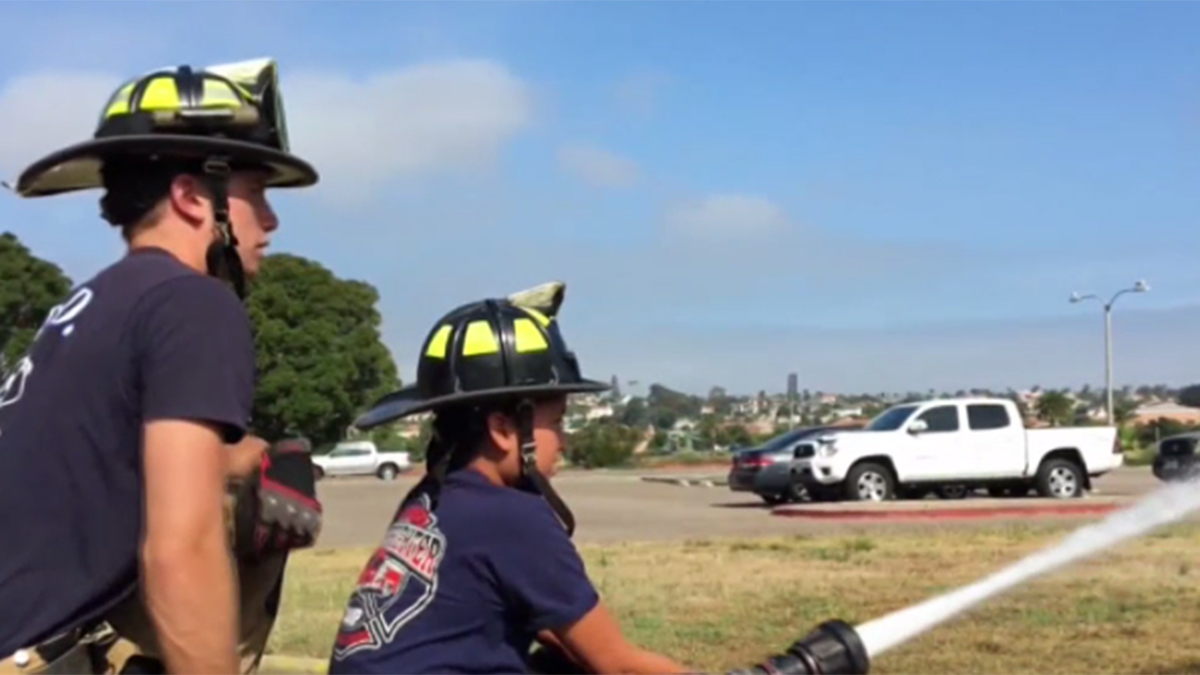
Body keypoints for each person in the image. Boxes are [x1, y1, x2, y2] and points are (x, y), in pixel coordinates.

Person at [0, 58, 321, 675]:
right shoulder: (192, 302)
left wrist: (258, 456)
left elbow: (114, 459)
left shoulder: (97, 302)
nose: (272, 220)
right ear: (192, 196)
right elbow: (181, 547)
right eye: (257, 193)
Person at [326, 282, 694, 675]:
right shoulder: (512, 517)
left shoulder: (433, 497)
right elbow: (619, 667)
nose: (565, 442)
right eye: (557, 422)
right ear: (502, 428)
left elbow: (561, 634)